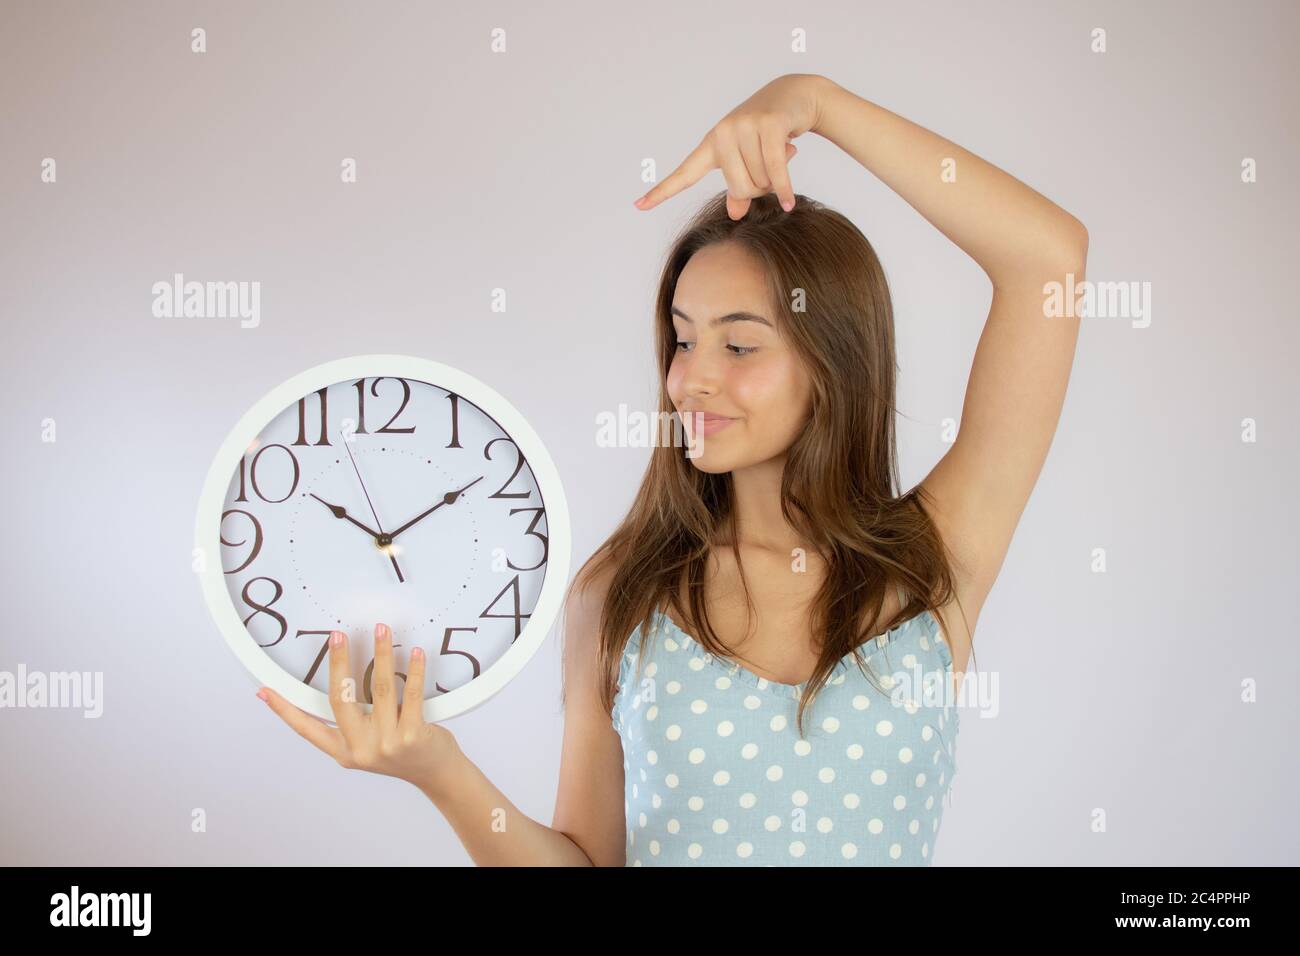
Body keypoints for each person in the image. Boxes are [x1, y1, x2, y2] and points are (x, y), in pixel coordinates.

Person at [258, 72, 1087, 866]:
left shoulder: (933, 561)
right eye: (683, 339)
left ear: (833, 362)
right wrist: (440, 771)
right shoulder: (623, 593)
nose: (690, 377)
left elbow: (1049, 260)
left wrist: (818, 102)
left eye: (738, 344)